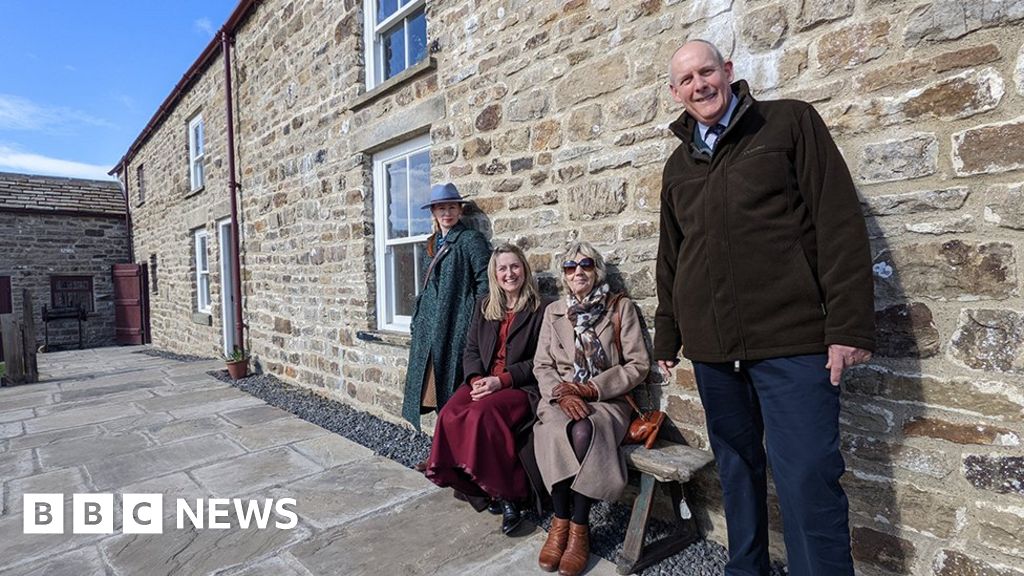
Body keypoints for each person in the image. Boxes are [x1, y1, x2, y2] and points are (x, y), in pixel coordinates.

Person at [654, 39, 875, 576]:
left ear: (728, 71)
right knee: (736, 468)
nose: (699, 85)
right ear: (675, 92)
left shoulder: (789, 124)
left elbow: (838, 222)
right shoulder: (677, 166)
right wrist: (668, 334)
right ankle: (745, 568)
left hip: (793, 344)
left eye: (706, 72)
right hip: (713, 352)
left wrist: (848, 325)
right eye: (686, 79)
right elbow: (672, 254)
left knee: (806, 475)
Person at [532, 241, 650, 576]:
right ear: (564, 276)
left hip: (606, 400)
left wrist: (589, 388)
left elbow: (637, 365)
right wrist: (562, 394)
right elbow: (542, 366)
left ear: (596, 270)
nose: (578, 272)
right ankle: (560, 522)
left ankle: (579, 529)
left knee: (585, 429)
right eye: (570, 267)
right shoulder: (553, 311)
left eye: (585, 265)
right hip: (560, 396)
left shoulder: (619, 308)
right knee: (556, 428)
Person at [423, 243, 551, 535]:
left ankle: (508, 497)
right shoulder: (484, 306)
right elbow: (470, 351)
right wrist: (476, 378)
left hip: (520, 386)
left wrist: (501, 381)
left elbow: (542, 360)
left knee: (482, 416)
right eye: (502, 268)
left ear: (524, 269)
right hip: (483, 381)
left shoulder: (540, 309)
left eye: (515, 266)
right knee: (450, 413)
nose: (509, 273)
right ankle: (474, 485)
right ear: (495, 274)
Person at [402, 183, 491, 429]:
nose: (447, 213)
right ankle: (441, 447)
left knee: (453, 388)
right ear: (433, 213)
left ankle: (452, 449)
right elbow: (427, 284)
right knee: (431, 387)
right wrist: (418, 316)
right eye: (441, 209)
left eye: (452, 207)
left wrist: (471, 321)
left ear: (460, 211)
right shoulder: (432, 243)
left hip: (456, 323)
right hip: (429, 326)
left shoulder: (470, 240)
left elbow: (484, 282)